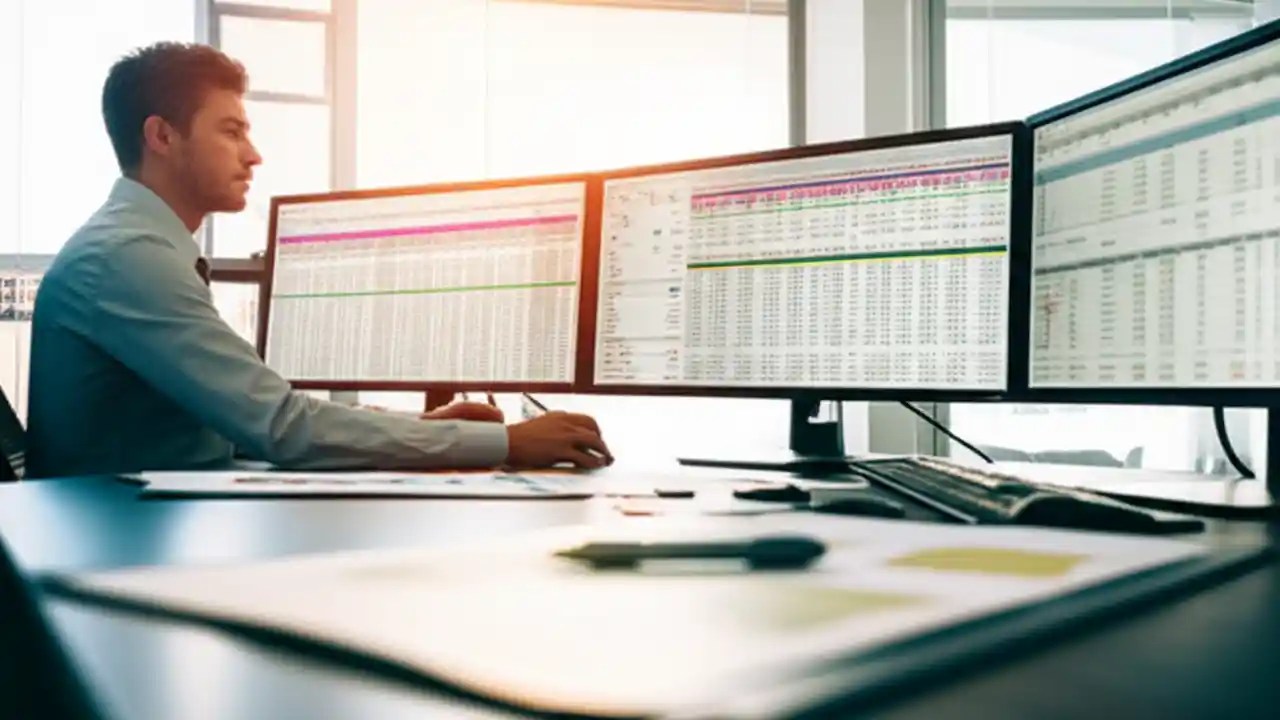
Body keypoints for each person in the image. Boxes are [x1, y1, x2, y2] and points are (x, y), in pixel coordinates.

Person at [25, 42, 610, 478]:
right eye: (231, 132)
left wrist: (423, 431)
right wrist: (507, 443)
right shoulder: (128, 258)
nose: (253, 155)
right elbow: (279, 425)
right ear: (162, 136)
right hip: (114, 554)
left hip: (133, 523)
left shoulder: (137, 247)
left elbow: (236, 422)